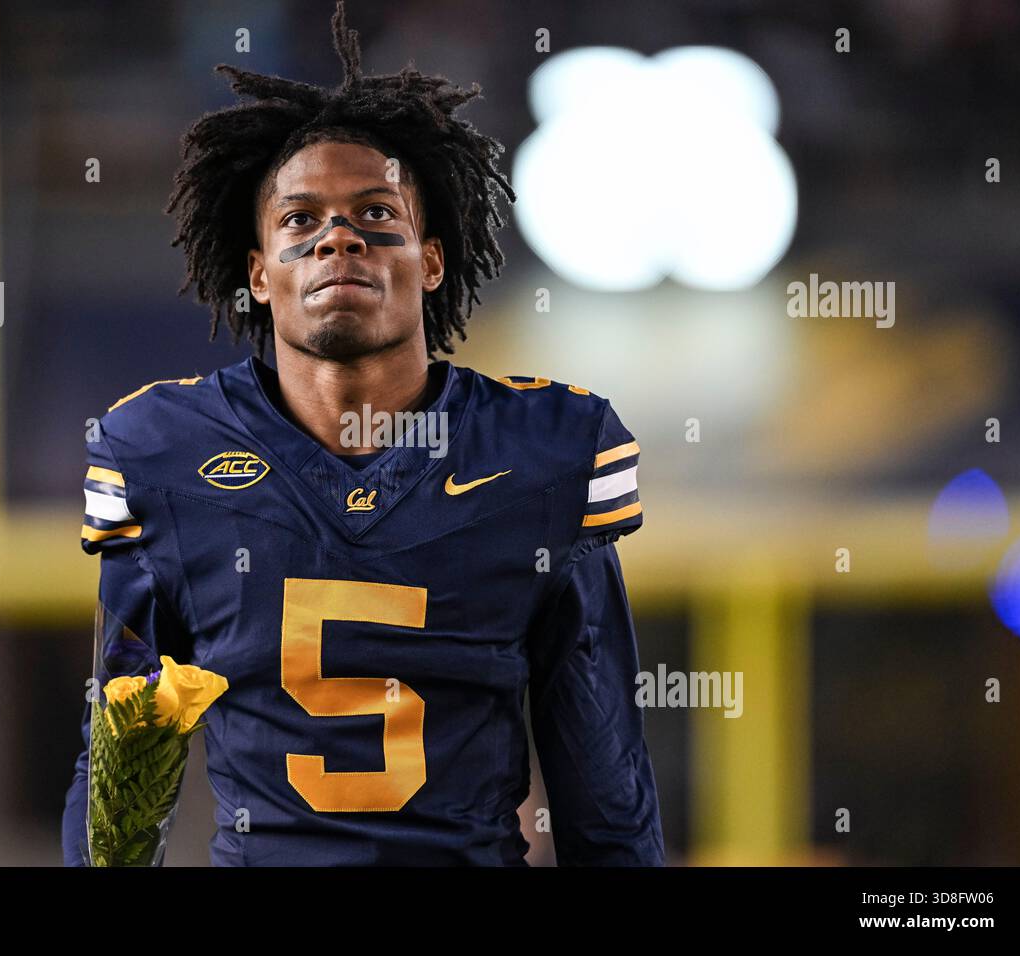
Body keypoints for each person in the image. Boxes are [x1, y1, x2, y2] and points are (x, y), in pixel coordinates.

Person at [63, 0, 663, 866]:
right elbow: (118, 769)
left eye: (377, 215)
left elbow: (604, 784)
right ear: (258, 273)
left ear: (433, 258)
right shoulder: (163, 453)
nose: (340, 236)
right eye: (301, 220)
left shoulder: (538, 456)